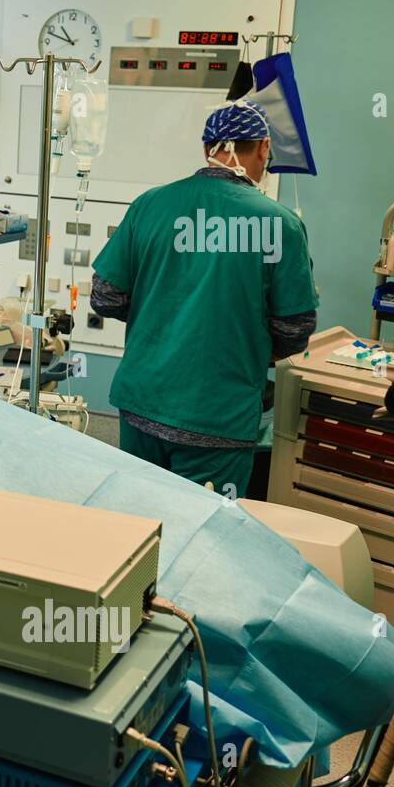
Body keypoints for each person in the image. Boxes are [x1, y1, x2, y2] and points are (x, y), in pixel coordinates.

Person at [90, 100, 317, 497]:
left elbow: (106, 298)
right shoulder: (279, 224)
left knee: (138, 525)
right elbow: (295, 329)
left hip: (143, 402)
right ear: (263, 147)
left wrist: (161, 320)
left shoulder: (151, 205)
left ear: (207, 149)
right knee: (209, 538)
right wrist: (252, 345)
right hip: (218, 416)